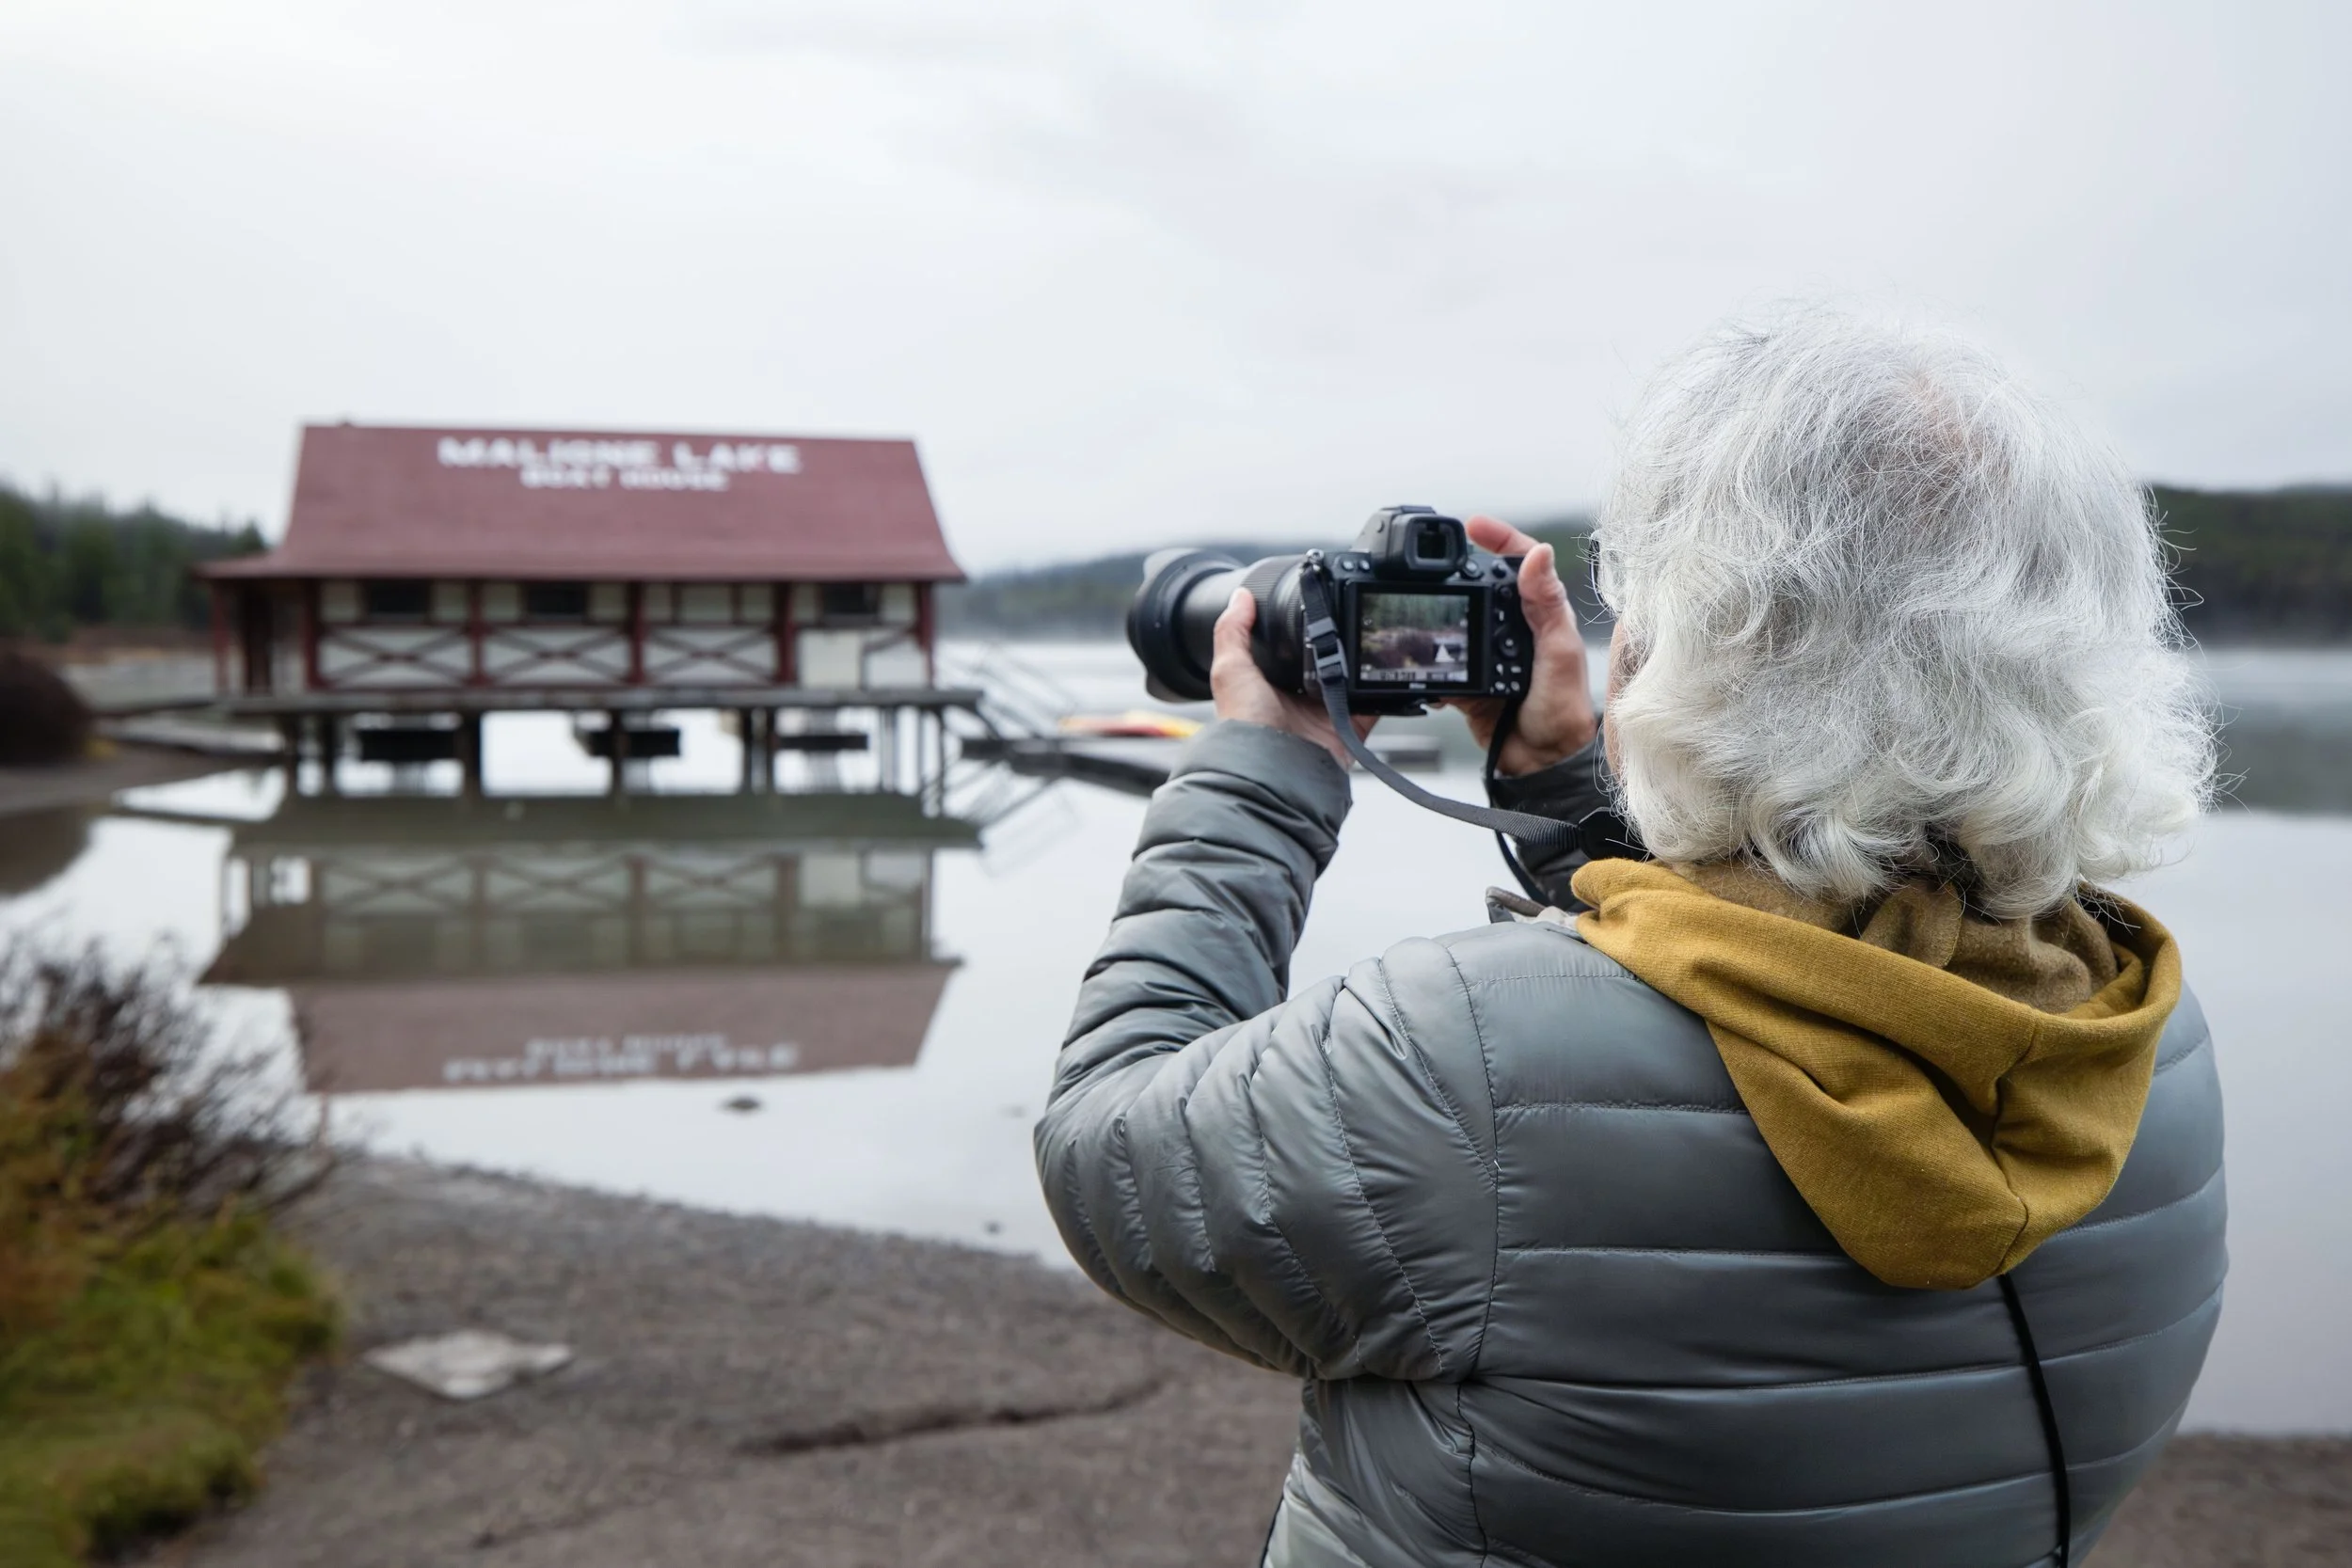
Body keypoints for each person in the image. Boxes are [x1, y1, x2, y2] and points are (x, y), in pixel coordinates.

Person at [1035, 307, 2222, 1567]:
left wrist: (1267, 771)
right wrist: (1563, 787)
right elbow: (1774, 975)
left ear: (1691, 642)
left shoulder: (1468, 1062)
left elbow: (1111, 1153)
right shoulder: (2138, 1036)